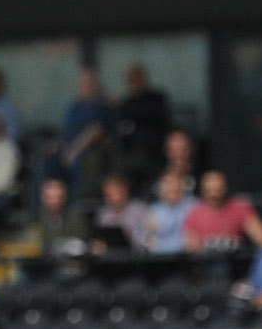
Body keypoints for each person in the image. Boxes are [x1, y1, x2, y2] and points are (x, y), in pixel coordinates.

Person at [60, 68, 114, 200]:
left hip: (89, 151)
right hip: (68, 149)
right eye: (82, 83)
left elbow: (95, 131)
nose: (84, 86)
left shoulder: (102, 105)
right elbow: (67, 132)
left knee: (82, 163)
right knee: (44, 164)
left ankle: (78, 207)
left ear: (96, 85)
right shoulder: (74, 107)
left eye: (89, 83)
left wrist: (74, 151)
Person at [115, 65, 171, 188]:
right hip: (133, 152)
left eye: (136, 80)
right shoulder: (127, 103)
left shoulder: (157, 98)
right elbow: (122, 127)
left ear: (144, 79)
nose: (134, 84)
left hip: (156, 149)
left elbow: (152, 113)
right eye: (130, 81)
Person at [184, 171, 262, 254]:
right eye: (209, 191)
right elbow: (191, 246)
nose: (214, 195)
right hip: (206, 262)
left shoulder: (240, 208)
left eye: (218, 190)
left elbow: (260, 236)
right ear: (203, 191)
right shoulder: (195, 212)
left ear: (225, 189)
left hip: (235, 262)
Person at [34, 175, 93, 258]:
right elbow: (44, 247)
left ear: (64, 197)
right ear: (43, 199)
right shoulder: (42, 218)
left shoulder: (76, 216)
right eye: (49, 198)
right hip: (49, 263)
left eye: (56, 197)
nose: (53, 202)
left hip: (73, 263)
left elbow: (81, 244)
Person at [91, 174, 148, 253]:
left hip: (136, 257)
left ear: (124, 191)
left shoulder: (140, 210)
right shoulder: (103, 214)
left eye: (113, 192)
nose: (110, 197)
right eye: (107, 194)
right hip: (111, 257)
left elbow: (147, 240)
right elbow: (100, 239)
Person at [144, 170, 195, 254]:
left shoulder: (193, 206)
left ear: (183, 186)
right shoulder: (154, 210)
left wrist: (160, 245)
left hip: (188, 258)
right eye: (168, 184)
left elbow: (192, 243)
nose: (172, 187)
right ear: (161, 188)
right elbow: (149, 245)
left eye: (175, 184)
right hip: (161, 260)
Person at [154, 129, 197, 200]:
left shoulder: (201, 177)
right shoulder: (156, 176)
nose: (178, 154)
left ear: (190, 150)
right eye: (173, 150)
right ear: (167, 151)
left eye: (182, 150)